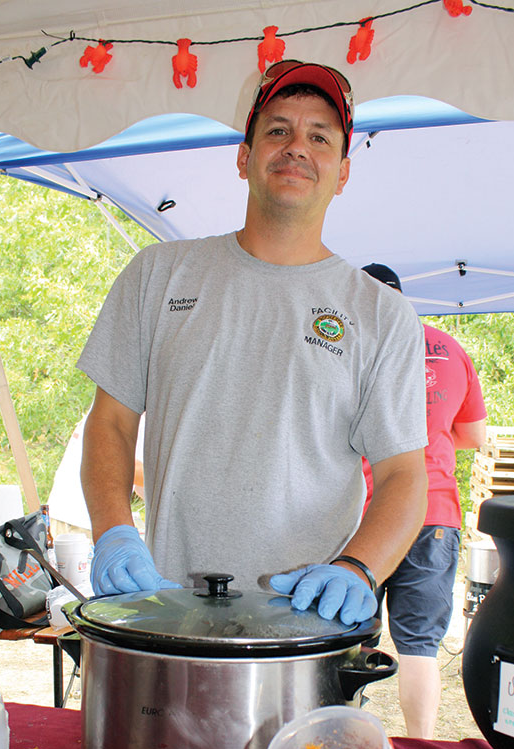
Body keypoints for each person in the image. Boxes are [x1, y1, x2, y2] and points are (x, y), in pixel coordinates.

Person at [78, 60, 429, 624]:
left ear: (342, 172)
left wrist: (359, 568)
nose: (296, 147)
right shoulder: (158, 275)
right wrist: (113, 530)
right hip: (166, 611)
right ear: (244, 157)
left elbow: (404, 474)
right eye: (277, 130)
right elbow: (111, 422)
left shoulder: (381, 314)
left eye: (319, 136)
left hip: (308, 624)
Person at [361, 263, 487, 737]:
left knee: (354, 639)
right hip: (433, 511)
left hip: (365, 516)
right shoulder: (449, 349)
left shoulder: (344, 348)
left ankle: (343, 740)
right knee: (418, 647)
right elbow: (473, 434)